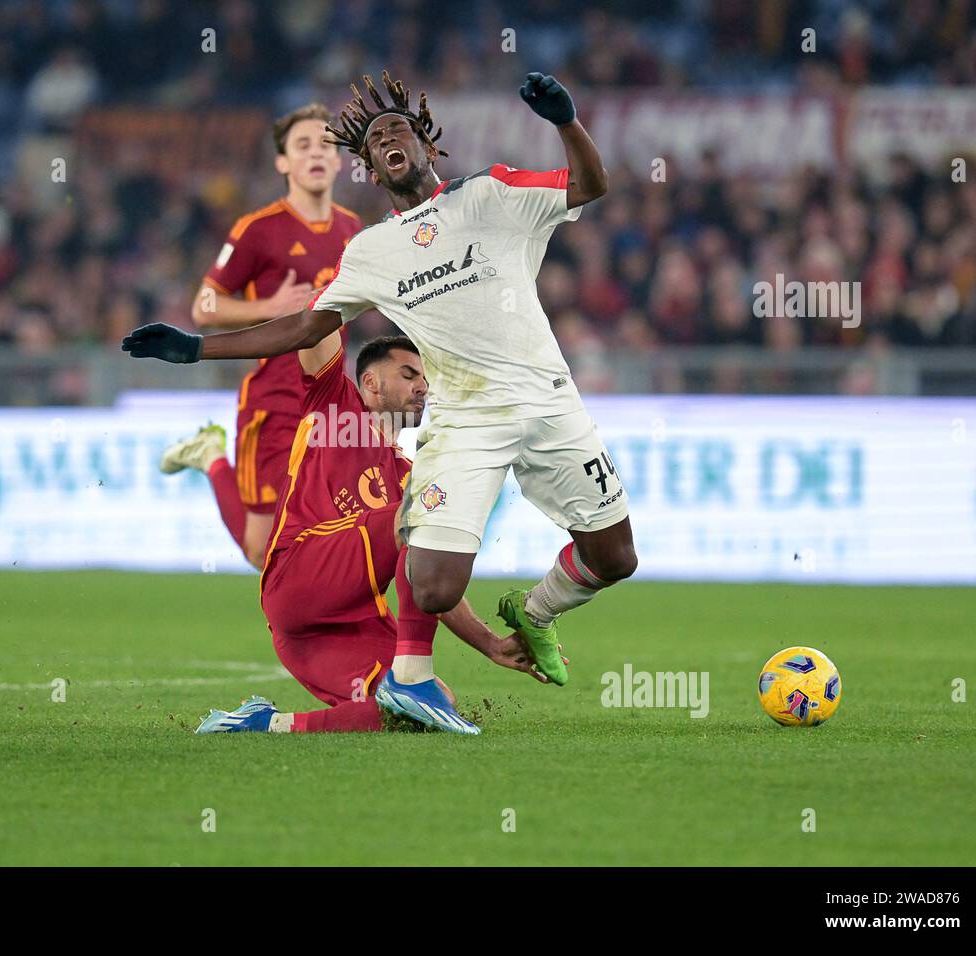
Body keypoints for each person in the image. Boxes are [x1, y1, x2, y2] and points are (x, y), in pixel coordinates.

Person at [125, 71, 635, 695]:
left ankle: (533, 615)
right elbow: (303, 328)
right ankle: (414, 680)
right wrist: (197, 348)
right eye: (372, 139)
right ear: (368, 164)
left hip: (550, 403)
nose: (387, 138)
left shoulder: (491, 193)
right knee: (433, 585)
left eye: (398, 128)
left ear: (426, 143)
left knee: (616, 559)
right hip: (465, 421)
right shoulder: (372, 252)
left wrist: (564, 120)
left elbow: (592, 183)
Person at [196, 332, 551, 735]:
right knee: (425, 511)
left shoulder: (406, 476)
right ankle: (412, 678)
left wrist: (492, 645)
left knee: (418, 710)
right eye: (408, 374)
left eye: (426, 379)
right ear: (370, 383)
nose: (422, 387)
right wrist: (361, 278)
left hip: (330, 630)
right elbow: (322, 324)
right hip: (299, 577)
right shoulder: (335, 410)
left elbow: (429, 581)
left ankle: (264, 724)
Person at [159, 103, 362, 569]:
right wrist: (269, 308)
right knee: (262, 550)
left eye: (325, 145)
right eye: (302, 145)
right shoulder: (258, 230)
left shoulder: (354, 231)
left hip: (332, 404)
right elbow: (203, 307)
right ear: (283, 162)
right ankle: (211, 457)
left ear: (338, 161)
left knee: (335, 534)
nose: (316, 153)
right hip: (273, 400)